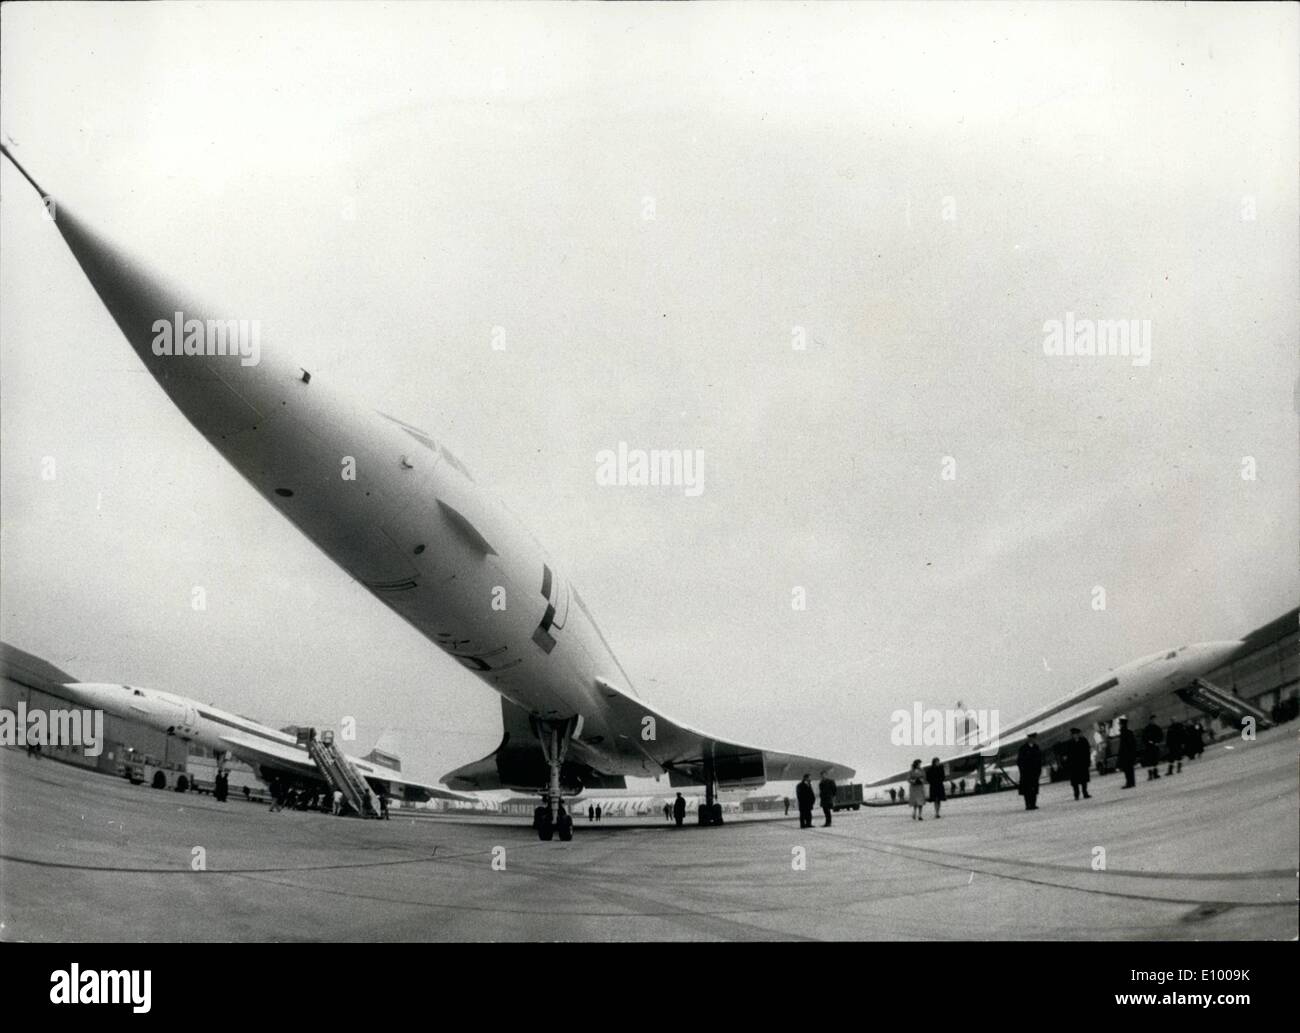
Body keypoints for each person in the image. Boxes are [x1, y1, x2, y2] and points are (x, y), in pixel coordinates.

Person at [1016, 732, 1043, 810]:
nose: (1033, 740)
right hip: (1026, 773)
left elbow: (1039, 760)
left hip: (1034, 772)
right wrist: (1022, 770)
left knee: (1034, 788)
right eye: (1032, 738)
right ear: (1029, 739)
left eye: (1034, 738)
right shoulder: (1023, 748)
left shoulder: (1036, 747)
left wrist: (1039, 770)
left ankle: (1033, 804)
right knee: (1027, 790)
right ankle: (1028, 804)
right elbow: (1019, 761)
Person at [1066, 727, 1092, 800]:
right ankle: (1076, 794)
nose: (1075, 735)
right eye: (1074, 734)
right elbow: (1068, 754)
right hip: (1074, 765)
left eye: (1076, 734)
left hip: (1082, 763)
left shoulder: (1084, 741)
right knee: (1075, 781)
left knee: (1084, 779)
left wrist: (1088, 761)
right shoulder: (1070, 743)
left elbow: (1087, 752)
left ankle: (1085, 793)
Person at [1118, 717, 1138, 788]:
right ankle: (1132, 782)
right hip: (1130, 754)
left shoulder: (1123, 733)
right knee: (1130, 769)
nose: (1119, 725)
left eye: (1119, 724)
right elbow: (1133, 744)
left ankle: (1129, 783)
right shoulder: (1129, 732)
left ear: (1122, 724)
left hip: (1125, 755)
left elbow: (1123, 746)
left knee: (1127, 770)